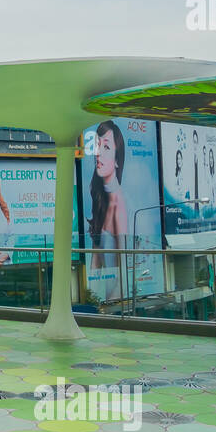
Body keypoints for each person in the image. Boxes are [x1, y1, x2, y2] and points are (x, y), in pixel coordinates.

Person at [88, 120, 128, 301]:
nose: (98, 154)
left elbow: (124, 269)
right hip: (101, 301)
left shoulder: (119, 204)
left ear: (117, 160)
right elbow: (94, 264)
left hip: (115, 303)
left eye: (105, 147)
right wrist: (91, 298)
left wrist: (110, 308)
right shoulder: (101, 201)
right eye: (97, 146)